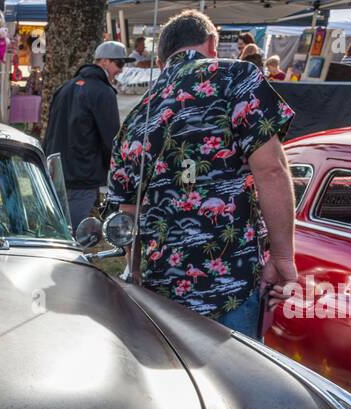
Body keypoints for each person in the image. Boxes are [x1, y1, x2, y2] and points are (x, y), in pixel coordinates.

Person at [107, 9, 297, 339]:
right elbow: (272, 170)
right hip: (231, 284)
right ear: (212, 43)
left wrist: (135, 271)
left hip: (160, 292)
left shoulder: (137, 116)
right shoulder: (238, 77)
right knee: (236, 385)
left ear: (162, 57)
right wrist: (282, 256)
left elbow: (128, 213)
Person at [43, 40, 133, 228]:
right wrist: (121, 171)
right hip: (83, 176)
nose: (121, 70)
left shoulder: (65, 87)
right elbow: (112, 139)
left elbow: (50, 131)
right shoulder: (103, 92)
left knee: (55, 230)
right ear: (104, 62)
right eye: (120, 64)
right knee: (74, 234)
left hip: (55, 172)